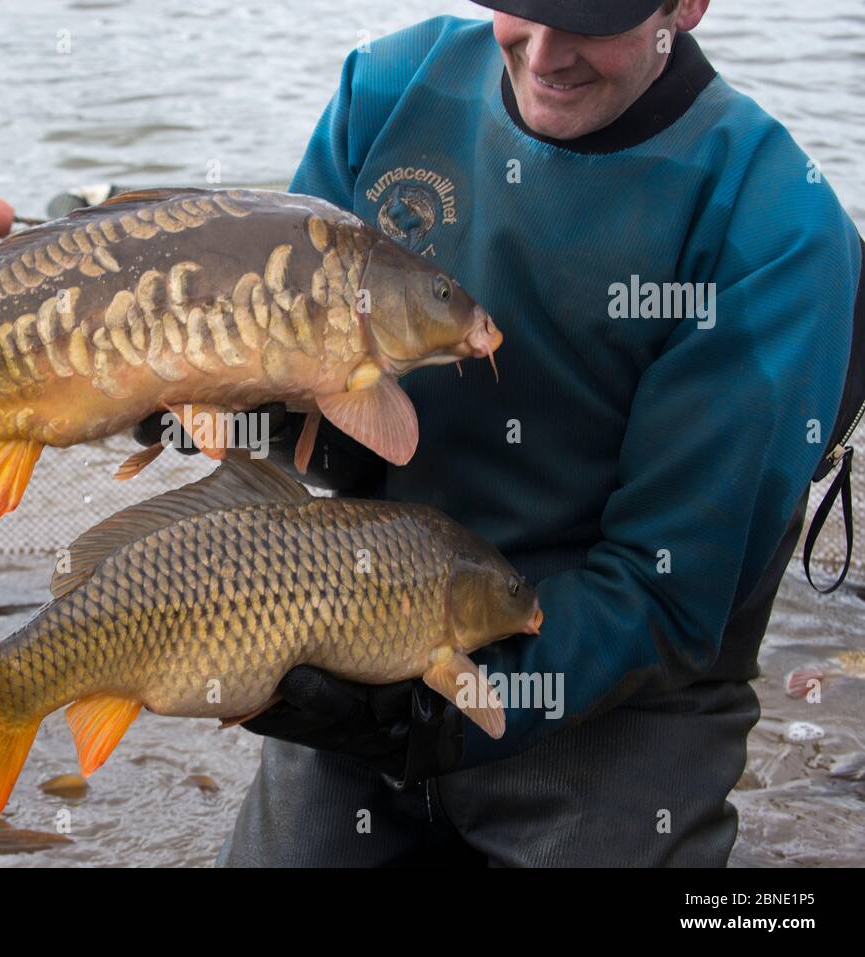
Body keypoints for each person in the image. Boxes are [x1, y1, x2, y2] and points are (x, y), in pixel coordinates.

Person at [135, 0, 863, 866]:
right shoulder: (392, 87)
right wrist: (216, 398)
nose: (545, 51)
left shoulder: (773, 226)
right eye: (522, 6)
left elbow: (670, 590)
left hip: (615, 700)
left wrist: (440, 711)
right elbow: (319, 419)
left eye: (593, 15)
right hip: (363, 624)